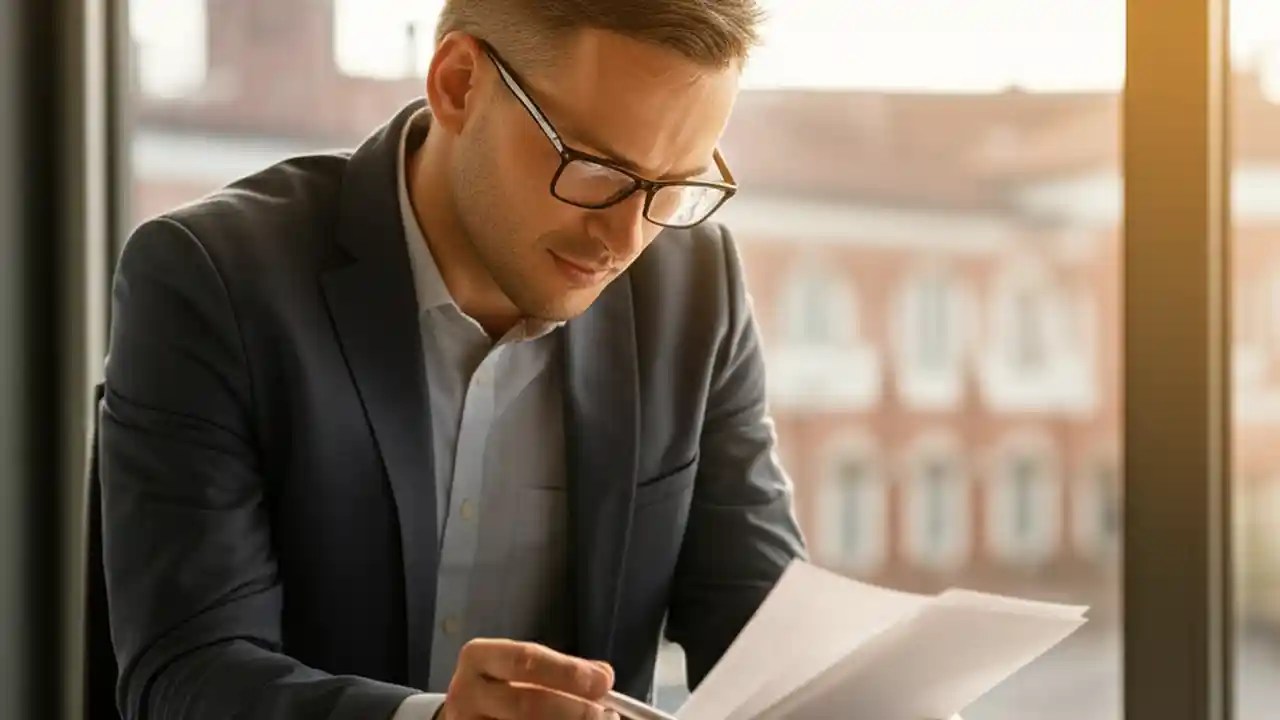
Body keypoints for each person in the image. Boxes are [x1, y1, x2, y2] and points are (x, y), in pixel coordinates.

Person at [99, 1, 808, 718]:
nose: (625, 238)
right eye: (596, 168)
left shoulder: (693, 286)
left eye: (676, 185)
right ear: (460, 84)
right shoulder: (213, 281)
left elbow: (770, 636)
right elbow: (187, 675)